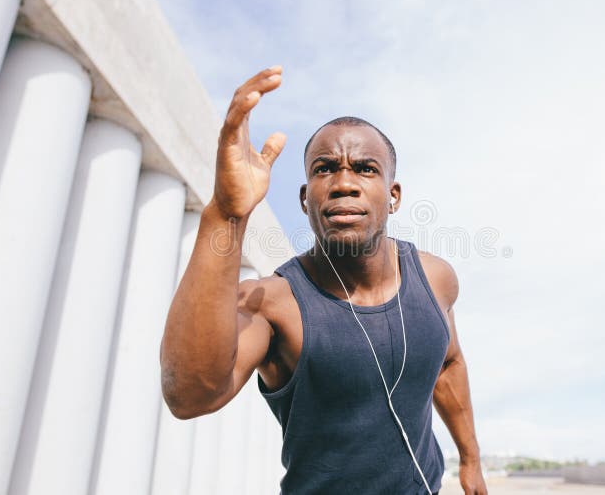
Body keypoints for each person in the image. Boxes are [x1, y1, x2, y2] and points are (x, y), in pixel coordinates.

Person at [160, 66, 487, 494]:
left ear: (394, 196)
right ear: (304, 198)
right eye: (325, 169)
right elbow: (190, 396)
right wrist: (227, 212)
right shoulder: (272, 302)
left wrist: (471, 459)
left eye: (366, 169)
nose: (344, 183)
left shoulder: (436, 277)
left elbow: (447, 362)